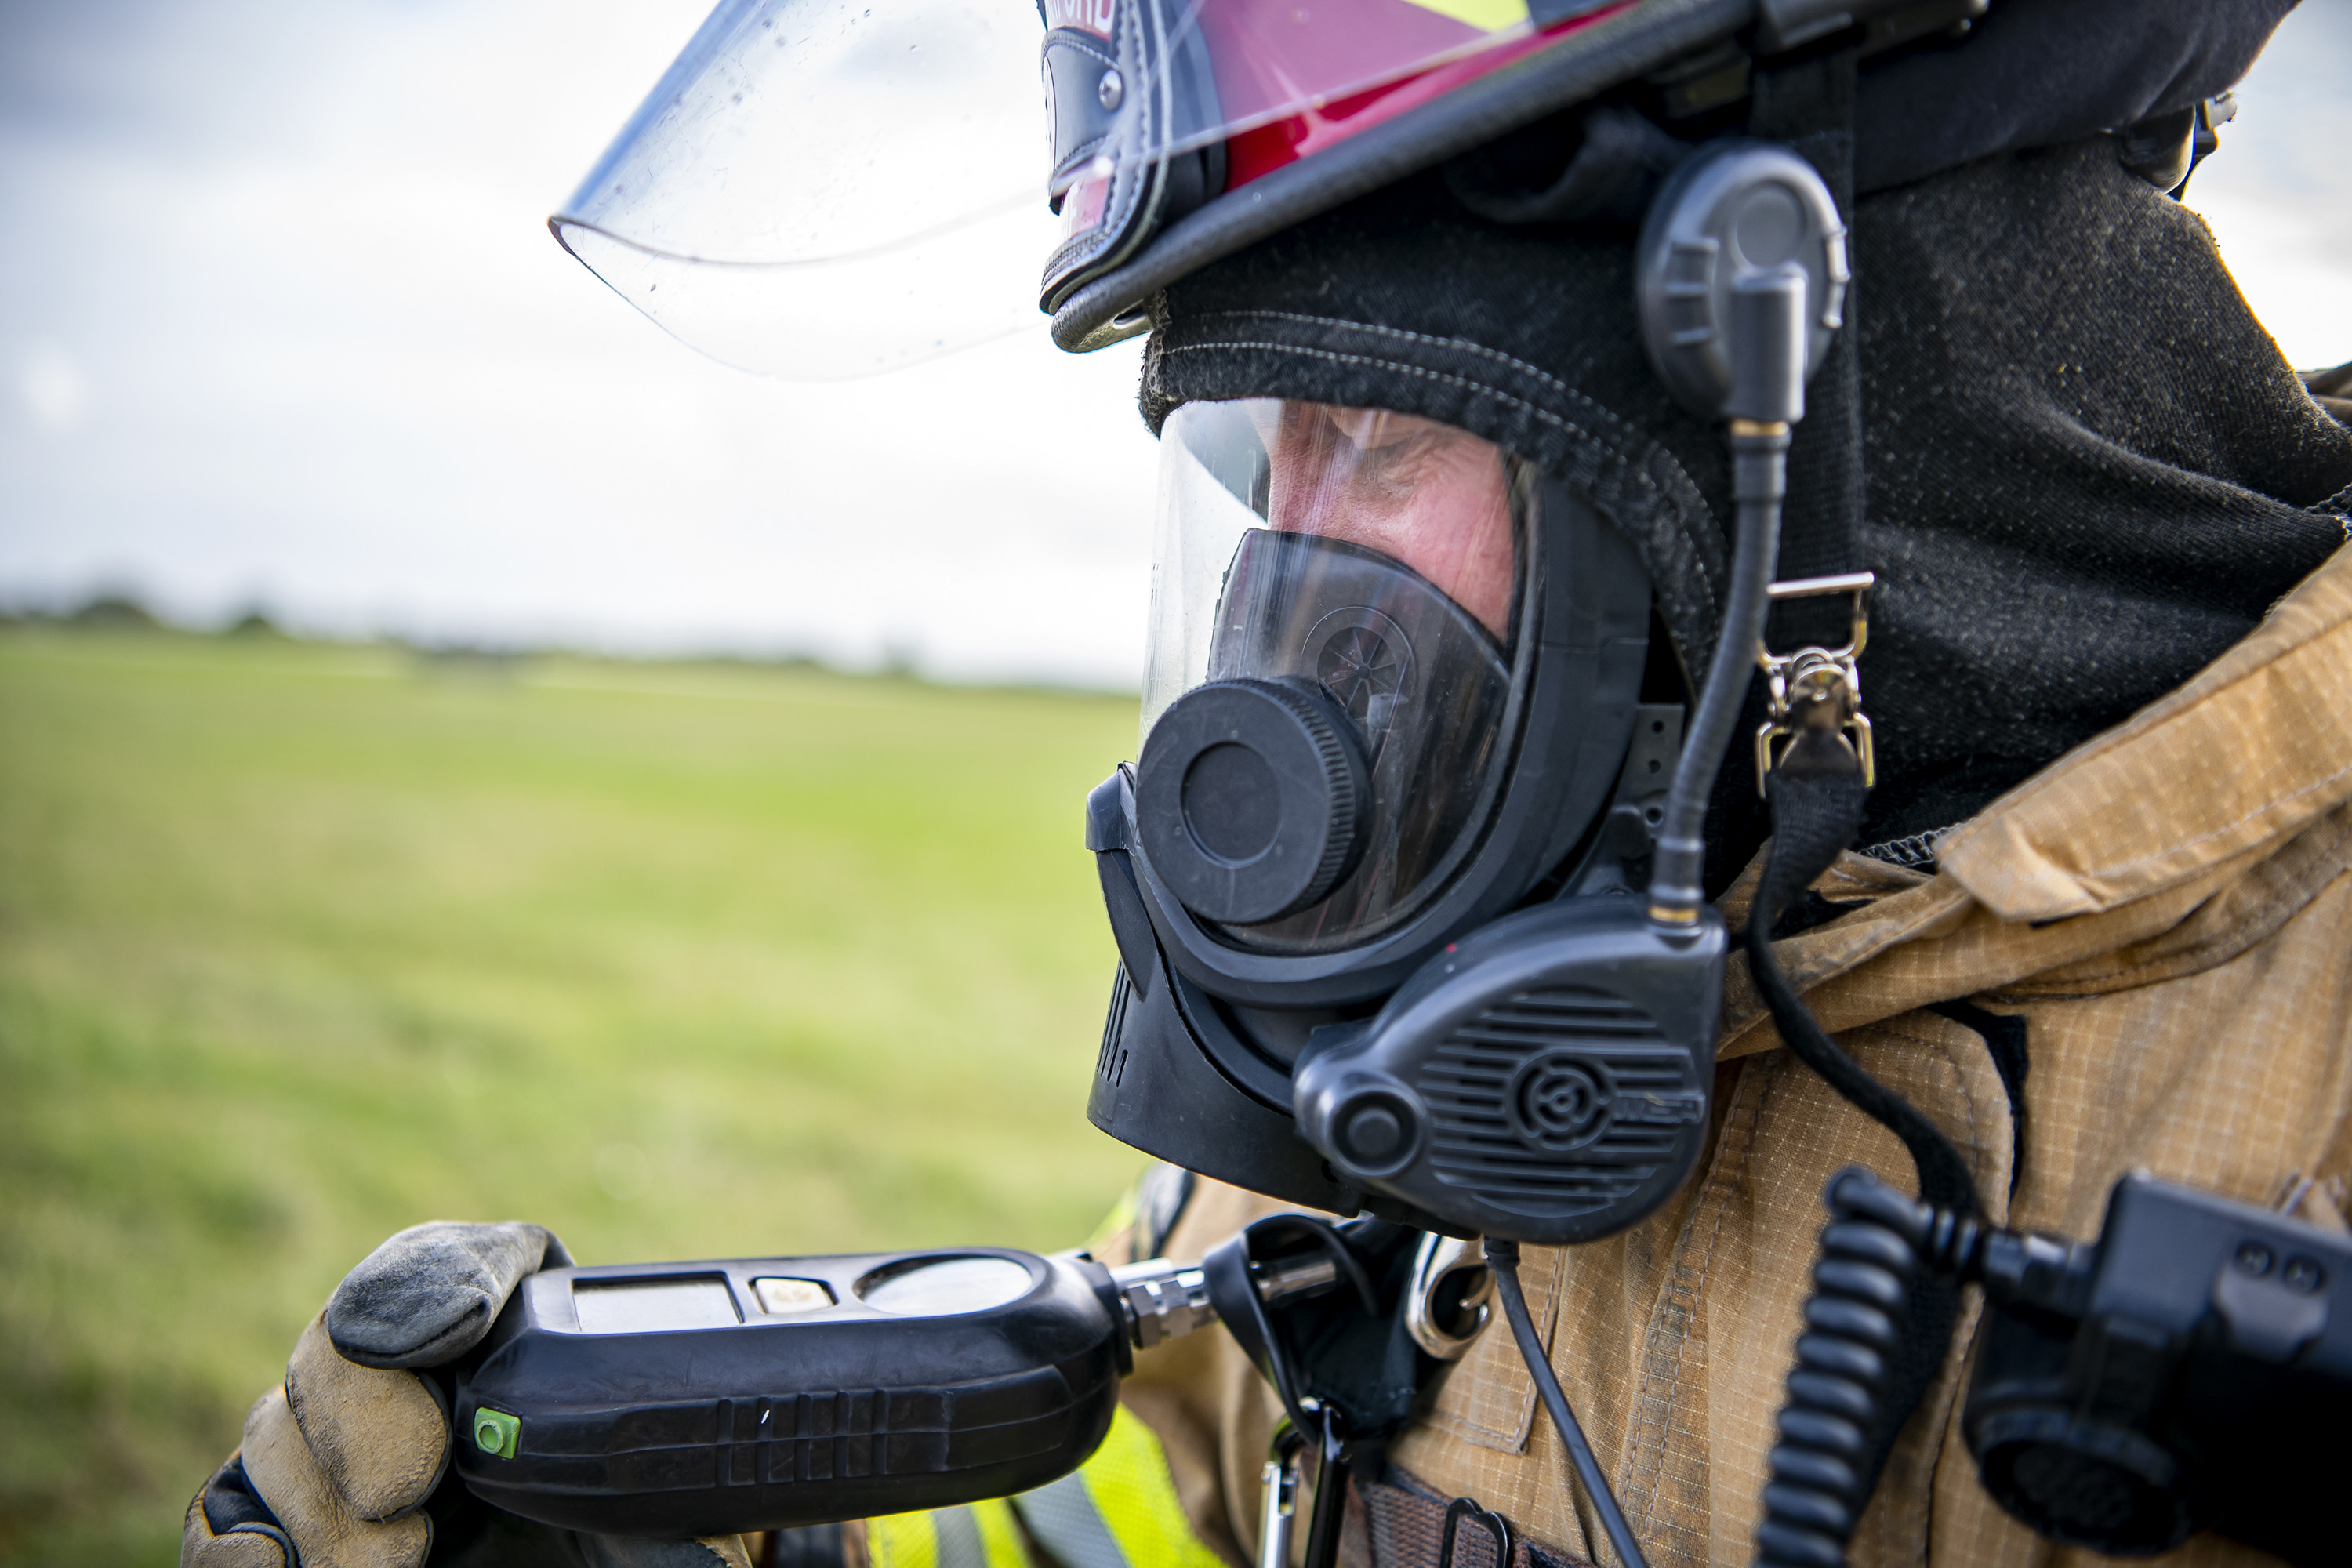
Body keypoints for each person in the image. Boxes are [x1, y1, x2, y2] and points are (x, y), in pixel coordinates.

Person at [183, 1, 2352, 1564]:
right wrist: (685, 1538)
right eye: (1260, 460)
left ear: (1808, 390)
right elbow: (1162, 1501)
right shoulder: (1452, 1063)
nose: (1287, 602)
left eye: (1379, 438)